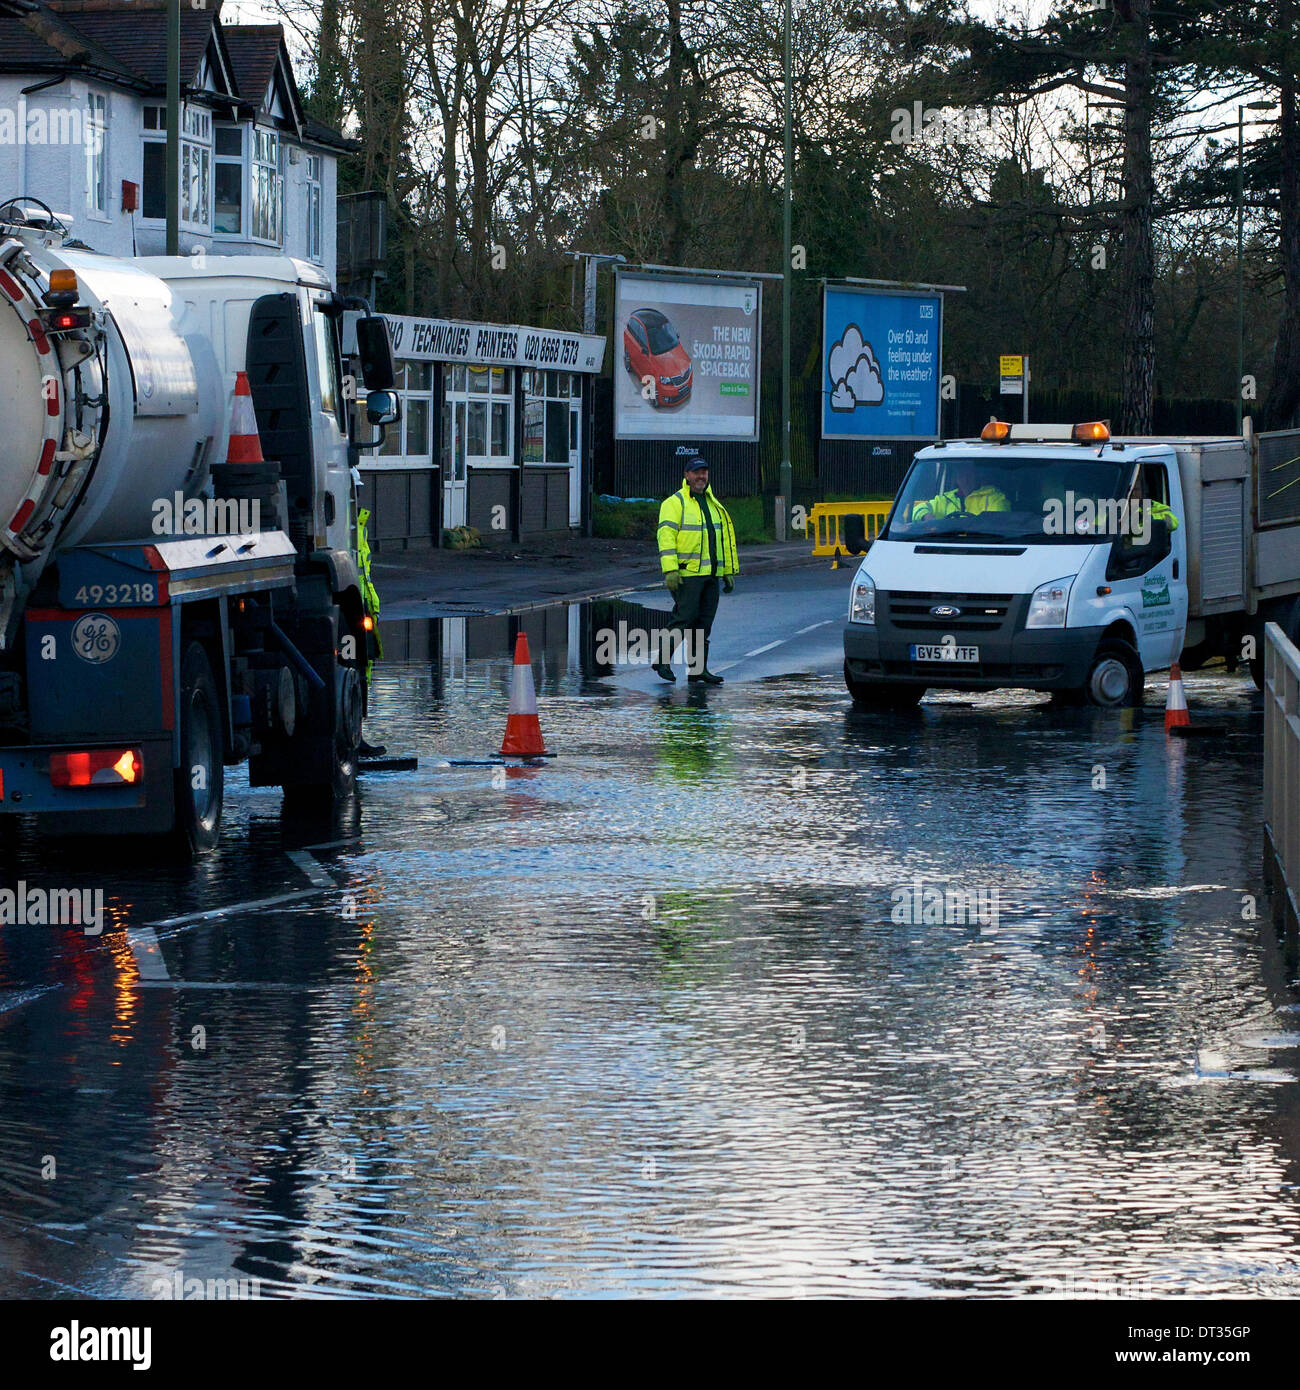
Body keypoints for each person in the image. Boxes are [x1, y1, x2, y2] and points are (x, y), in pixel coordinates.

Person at [652, 454, 738, 684]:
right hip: (687, 574)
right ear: (687, 476)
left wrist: (727, 571)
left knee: (703, 623)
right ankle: (661, 660)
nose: (701, 476)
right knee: (684, 619)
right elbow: (666, 537)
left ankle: (698, 669)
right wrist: (670, 570)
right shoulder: (674, 503)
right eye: (696, 472)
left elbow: (723, 540)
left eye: (704, 472)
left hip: (710, 575)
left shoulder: (713, 504)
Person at [911, 460, 1009, 521]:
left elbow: (997, 524)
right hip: (946, 543)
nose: (965, 480)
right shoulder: (945, 499)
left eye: (969, 475)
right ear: (956, 479)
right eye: (961, 475)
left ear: (977, 476)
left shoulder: (994, 498)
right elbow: (916, 510)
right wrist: (926, 517)